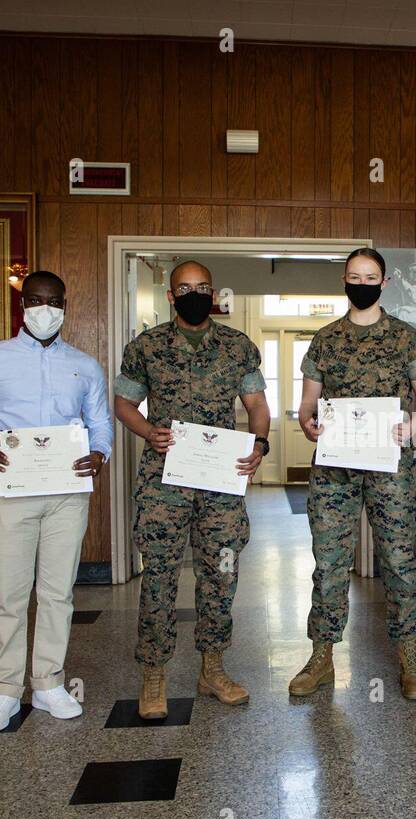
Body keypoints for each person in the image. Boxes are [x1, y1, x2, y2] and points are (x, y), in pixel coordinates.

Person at [0, 270, 112, 733]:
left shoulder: (85, 365)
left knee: (58, 592)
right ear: (23, 306)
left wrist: (100, 452)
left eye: (53, 301)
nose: (45, 309)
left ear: (64, 305)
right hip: (14, 490)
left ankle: (48, 683)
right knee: (10, 593)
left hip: (67, 494)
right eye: (35, 300)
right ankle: (3, 691)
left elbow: (100, 423)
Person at [114, 260, 270, 720]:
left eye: (203, 287)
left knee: (220, 574)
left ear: (215, 292)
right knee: (159, 576)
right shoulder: (146, 346)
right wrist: (147, 430)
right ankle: (154, 672)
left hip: (220, 482)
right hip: (165, 480)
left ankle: (213, 668)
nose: (195, 294)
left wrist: (259, 443)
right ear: (170, 295)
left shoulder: (238, 347)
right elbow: (124, 402)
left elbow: (257, 404)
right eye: (185, 288)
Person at [290, 248, 416, 699]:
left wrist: (413, 425)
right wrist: (308, 422)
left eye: (369, 276)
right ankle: (321, 656)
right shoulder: (326, 339)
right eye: (354, 276)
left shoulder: (406, 338)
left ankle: (410, 658)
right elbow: (307, 405)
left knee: (398, 561)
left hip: (389, 466)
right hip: (335, 468)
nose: (361, 282)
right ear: (344, 281)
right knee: (330, 563)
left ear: (384, 282)